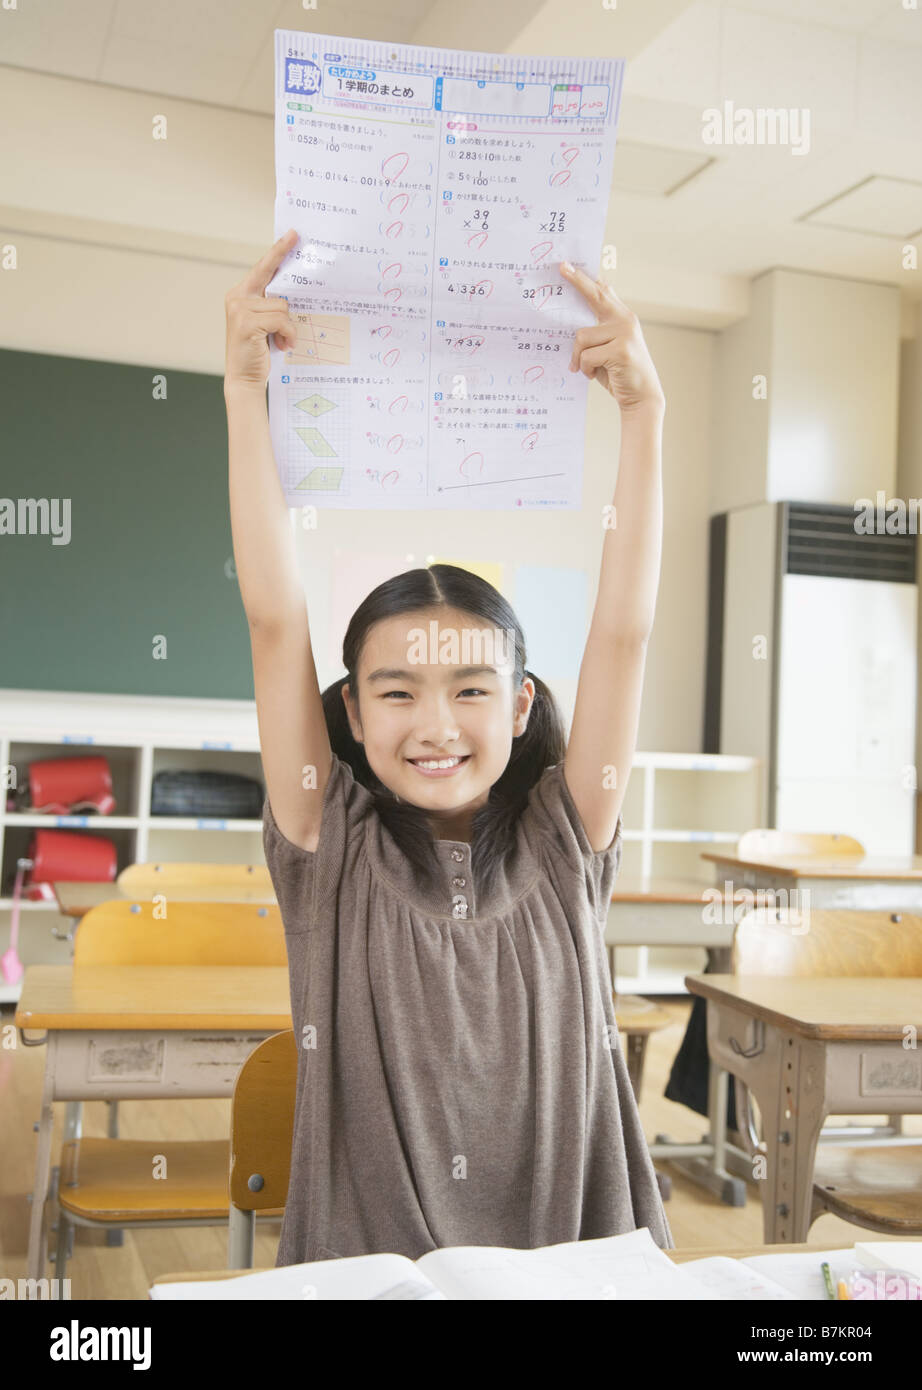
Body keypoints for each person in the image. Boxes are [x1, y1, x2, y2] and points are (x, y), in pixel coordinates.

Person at [224, 229, 673, 1265]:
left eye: (469, 688)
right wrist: (246, 391)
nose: (434, 724)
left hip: (579, 1272)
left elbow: (622, 629)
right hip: (380, 1281)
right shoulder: (326, 843)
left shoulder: (570, 834)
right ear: (349, 710)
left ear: (519, 707)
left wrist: (644, 413)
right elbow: (274, 621)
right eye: (396, 690)